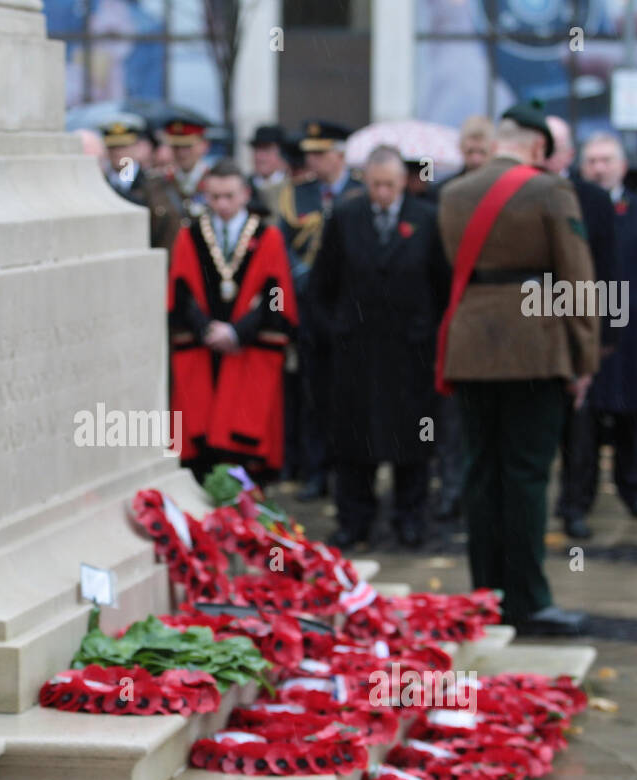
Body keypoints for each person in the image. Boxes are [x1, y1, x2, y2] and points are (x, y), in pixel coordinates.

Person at [436, 102, 598, 635]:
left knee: (481, 471)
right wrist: (583, 357)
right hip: (534, 344)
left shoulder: (453, 193)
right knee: (527, 474)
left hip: (471, 343)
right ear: (536, 147)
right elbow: (576, 281)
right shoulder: (550, 189)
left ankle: (485, 595)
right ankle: (528, 601)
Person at [308, 145, 450, 549]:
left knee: (413, 443)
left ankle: (411, 519)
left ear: (403, 181)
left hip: (411, 354)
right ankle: (354, 520)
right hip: (358, 353)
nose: (382, 193)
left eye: (389, 185)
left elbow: (443, 285)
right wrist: (335, 329)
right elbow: (322, 284)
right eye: (374, 185)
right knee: (354, 443)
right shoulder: (347, 217)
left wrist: (431, 333)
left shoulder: (426, 219)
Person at [167, 158, 298, 482]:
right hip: (204, 344)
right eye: (214, 197)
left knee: (243, 432)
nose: (222, 204)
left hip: (247, 346)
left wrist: (238, 332)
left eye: (229, 196)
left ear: (244, 194)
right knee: (202, 429)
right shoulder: (191, 235)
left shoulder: (267, 236)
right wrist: (206, 329)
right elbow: (181, 290)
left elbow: (275, 294)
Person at [571, 132, 637, 521]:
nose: (599, 167)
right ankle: (581, 499)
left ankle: (635, 489)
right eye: (592, 161)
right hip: (588, 328)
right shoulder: (575, 209)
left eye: (606, 160)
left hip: (632, 331)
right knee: (586, 422)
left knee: (633, 415)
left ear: (622, 166)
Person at [544, 115, 622, 539]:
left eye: (552, 147)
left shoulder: (592, 199)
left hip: (579, 323)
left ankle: (575, 503)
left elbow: (609, 268)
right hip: (532, 323)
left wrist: (608, 336)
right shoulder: (521, 192)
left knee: (581, 425)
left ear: (568, 154)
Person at [277, 120, 356, 501]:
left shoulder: (358, 191)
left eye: (321, 153)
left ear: (339, 154)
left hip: (350, 306)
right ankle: (315, 470)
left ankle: (347, 472)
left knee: (349, 393)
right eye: (310, 153)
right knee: (313, 393)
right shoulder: (298, 194)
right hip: (311, 306)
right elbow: (284, 243)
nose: (313, 160)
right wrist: (303, 276)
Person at [432, 115, 495, 522]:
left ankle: (484, 489)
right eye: (468, 151)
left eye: (480, 152)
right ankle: (451, 488)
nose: (473, 159)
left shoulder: (506, 196)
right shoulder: (444, 194)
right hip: (452, 314)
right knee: (451, 416)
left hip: (492, 317)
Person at [100, 112, 184, 252]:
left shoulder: (155, 185)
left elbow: (168, 230)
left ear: (136, 147)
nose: (118, 153)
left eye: (123, 146)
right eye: (113, 147)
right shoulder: (101, 185)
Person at [161, 117, 212, 220]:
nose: (181, 153)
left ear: (204, 145)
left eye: (188, 146)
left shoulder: (214, 181)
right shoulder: (159, 183)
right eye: (176, 146)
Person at [247, 124, 288, 217]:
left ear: (282, 153)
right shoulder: (244, 186)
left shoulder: (292, 187)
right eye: (256, 150)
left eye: (266, 150)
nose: (259, 156)